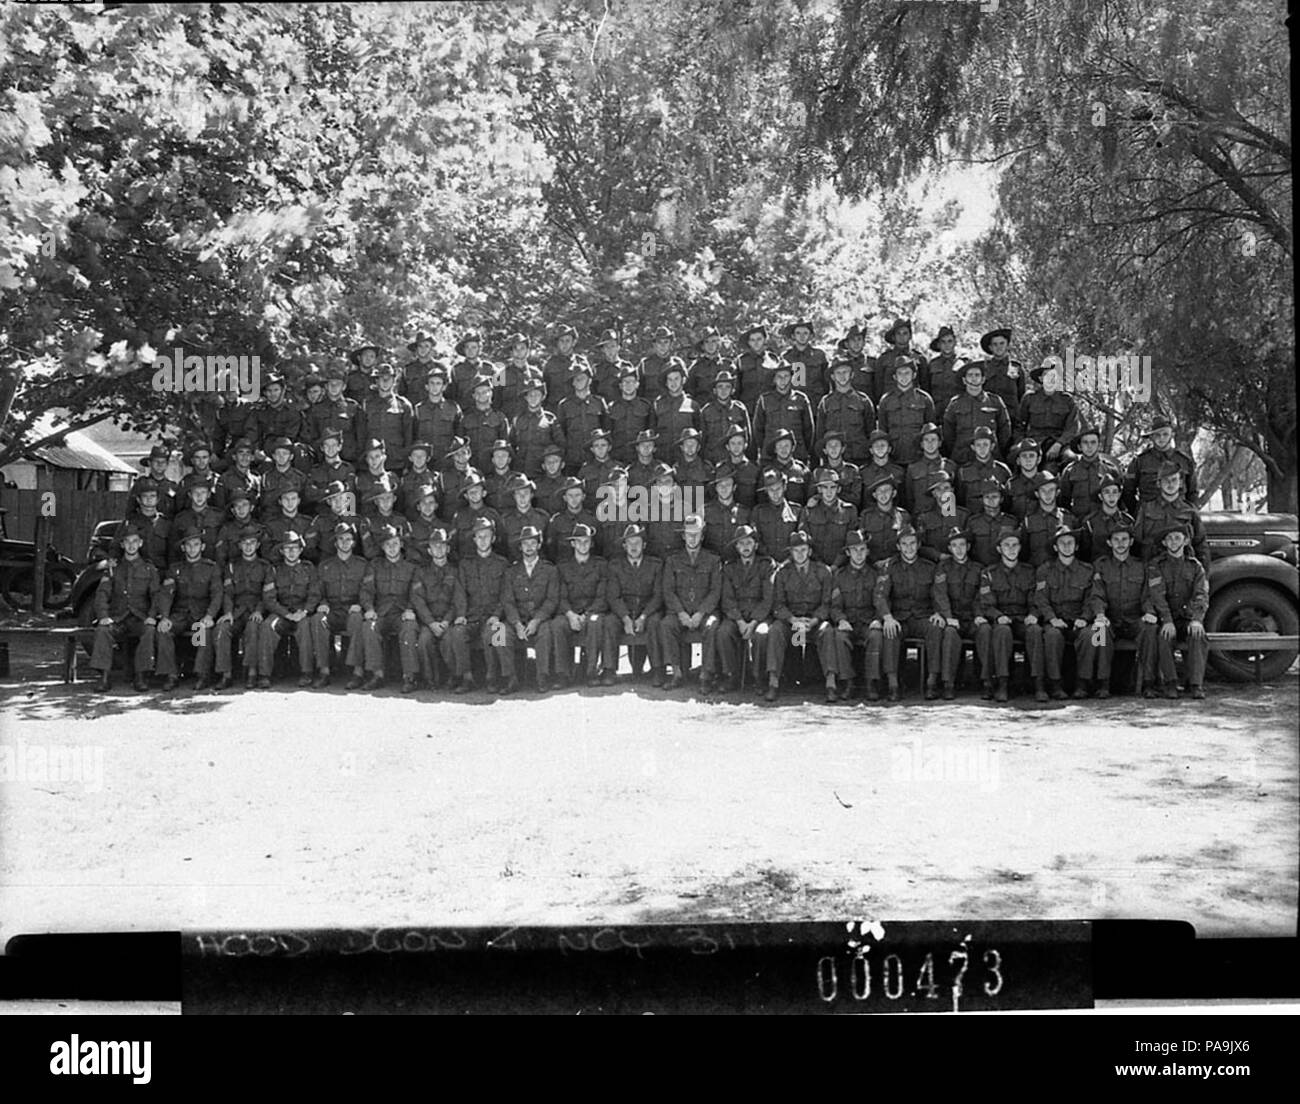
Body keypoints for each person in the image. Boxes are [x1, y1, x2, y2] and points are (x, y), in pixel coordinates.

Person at [1086, 521, 1157, 698]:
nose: (1120, 543)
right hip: (1111, 618)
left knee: (1150, 629)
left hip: (1134, 619)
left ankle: (1149, 683)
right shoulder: (1101, 566)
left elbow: (1147, 595)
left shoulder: (1141, 566)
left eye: (1124, 539)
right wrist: (1100, 614)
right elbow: (1096, 594)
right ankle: (1102, 683)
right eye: (1116, 539)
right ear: (1109, 543)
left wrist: (1149, 612)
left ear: (1131, 542)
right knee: (1098, 631)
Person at [873, 525, 943, 700]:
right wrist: (887, 617)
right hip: (899, 618)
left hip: (922, 616)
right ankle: (893, 684)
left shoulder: (929, 567)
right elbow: (880, 595)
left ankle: (931, 682)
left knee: (935, 628)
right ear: (898, 546)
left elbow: (938, 594)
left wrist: (938, 612)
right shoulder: (889, 567)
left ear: (918, 544)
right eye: (904, 544)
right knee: (890, 630)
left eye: (912, 543)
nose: (909, 548)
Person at [90, 526, 161, 693]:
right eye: (127, 542)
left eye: (135, 541)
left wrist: (151, 616)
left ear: (140, 543)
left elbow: (156, 596)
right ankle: (104, 677)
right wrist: (103, 616)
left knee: (149, 630)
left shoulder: (149, 569)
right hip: (118, 617)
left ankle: (141, 676)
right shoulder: (113, 568)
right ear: (122, 544)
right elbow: (102, 593)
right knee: (103, 630)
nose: (131, 545)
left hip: (139, 617)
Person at [766, 530, 834, 702]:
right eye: (796, 550)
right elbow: (778, 605)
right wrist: (793, 620)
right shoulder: (783, 573)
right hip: (792, 623)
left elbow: (826, 604)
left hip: (814, 623)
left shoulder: (823, 571)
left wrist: (814, 621)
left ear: (810, 551)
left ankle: (830, 684)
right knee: (775, 630)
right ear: (791, 552)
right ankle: (773, 682)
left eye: (803, 550)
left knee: (827, 631)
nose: (800, 554)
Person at [975, 528, 1041, 702]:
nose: (1011, 549)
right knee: (1002, 631)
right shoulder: (989, 573)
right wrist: (997, 616)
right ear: (999, 549)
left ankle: (1038, 684)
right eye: (1006, 545)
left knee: (1035, 630)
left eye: (1014, 545)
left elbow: (1037, 599)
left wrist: (1033, 614)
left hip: (1023, 618)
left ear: (1020, 548)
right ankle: (1002, 683)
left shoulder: (1030, 572)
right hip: (1002, 618)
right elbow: (986, 603)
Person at [1145, 524, 1210, 700]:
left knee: (1198, 636)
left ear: (1186, 540)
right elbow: (1157, 595)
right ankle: (1171, 683)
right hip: (1168, 617)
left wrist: (1197, 619)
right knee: (1164, 637)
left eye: (1178, 537)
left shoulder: (1195, 567)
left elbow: (1201, 594)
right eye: (1170, 539)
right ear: (1165, 543)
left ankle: (1196, 684)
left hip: (1188, 618)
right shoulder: (1156, 565)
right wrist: (1166, 620)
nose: (1174, 542)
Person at [154, 528, 223, 691]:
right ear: (183, 548)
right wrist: (164, 617)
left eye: (196, 544)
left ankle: (202, 675)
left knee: (202, 631)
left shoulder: (211, 568)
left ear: (202, 547)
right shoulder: (175, 569)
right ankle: (171, 675)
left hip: (200, 615)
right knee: (164, 631)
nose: (192, 548)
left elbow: (217, 594)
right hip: (180, 615)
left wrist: (209, 615)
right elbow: (166, 594)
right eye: (189, 545)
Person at [659, 515, 723, 691]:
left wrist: (701, 613)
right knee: (666, 625)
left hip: (704, 613)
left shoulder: (713, 560)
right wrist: (681, 613)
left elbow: (715, 591)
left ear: (702, 536)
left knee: (712, 626)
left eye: (696, 534)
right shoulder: (673, 560)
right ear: (683, 536)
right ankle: (676, 672)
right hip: (681, 612)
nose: (692, 538)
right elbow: (668, 590)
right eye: (689, 534)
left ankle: (706, 675)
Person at [1033, 526, 1097, 700]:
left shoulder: (1088, 570)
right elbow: (1041, 599)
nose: (1067, 546)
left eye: (1070, 543)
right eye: (1062, 543)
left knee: (1092, 634)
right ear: (1055, 547)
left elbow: (1093, 598)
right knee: (1052, 636)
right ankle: (1055, 684)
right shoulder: (1045, 570)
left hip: (1079, 620)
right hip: (1056, 619)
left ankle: (1083, 684)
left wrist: (1084, 618)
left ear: (1076, 546)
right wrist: (1052, 619)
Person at [258, 530, 326, 689]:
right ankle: (264, 674)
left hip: (302, 612)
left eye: (294, 548)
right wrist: (286, 614)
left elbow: (315, 594)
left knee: (304, 627)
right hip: (281, 612)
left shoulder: (309, 568)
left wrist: (305, 611)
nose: (291, 551)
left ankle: (306, 672)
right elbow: (269, 598)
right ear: (281, 551)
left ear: (301, 550)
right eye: (287, 548)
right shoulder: (274, 570)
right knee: (268, 626)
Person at [553, 522, 618, 687]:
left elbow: (602, 596)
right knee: (557, 625)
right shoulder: (563, 567)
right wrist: (570, 615)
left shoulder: (601, 565)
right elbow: (559, 596)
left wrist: (586, 615)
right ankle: (563, 674)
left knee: (595, 622)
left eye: (586, 541)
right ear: (572, 543)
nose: (583, 545)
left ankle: (591, 672)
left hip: (593, 612)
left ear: (591, 543)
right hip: (570, 614)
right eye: (579, 541)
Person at [502, 524, 561, 693]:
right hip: (517, 620)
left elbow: (552, 600)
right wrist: (516, 624)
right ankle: (509, 678)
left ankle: (542, 677)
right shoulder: (511, 571)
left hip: (540, 619)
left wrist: (536, 620)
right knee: (498, 633)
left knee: (546, 632)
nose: (529, 547)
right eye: (525, 544)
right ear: (520, 546)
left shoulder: (550, 570)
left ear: (539, 545)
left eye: (533, 543)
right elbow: (507, 601)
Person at [458, 516, 514, 694]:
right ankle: (466, 677)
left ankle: (494, 676)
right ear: (474, 539)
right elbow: (460, 593)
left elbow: (506, 595)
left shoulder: (502, 564)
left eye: (486, 536)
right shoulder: (465, 564)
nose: (483, 540)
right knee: (457, 633)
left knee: (497, 632)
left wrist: (497, 614)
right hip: (472, 616)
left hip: (494, 615)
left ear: (493, 538)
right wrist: (461, 614)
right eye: (479, 536)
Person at [412, 527, 472, 692]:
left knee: (449, 640)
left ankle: (455, 676)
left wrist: (446, 621)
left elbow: (458, 599)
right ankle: (430, 679)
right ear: (429, 550)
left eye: (442, 545)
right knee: (424, 640)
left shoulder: (456, 571)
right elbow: (418, 600)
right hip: (429, 620)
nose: (439, 549)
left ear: (448, 548)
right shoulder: (421, 572)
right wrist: (431, 623)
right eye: (435, 546)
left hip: (448, 620)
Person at [715, 524, 774, 691]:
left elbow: (768, 598)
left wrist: (754, 622)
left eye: (749, 543)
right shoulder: (729, 568)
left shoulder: (766, 565)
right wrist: (740, 621)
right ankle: (731, 676)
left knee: (762, 634)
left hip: (759, 617)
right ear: (736, 547)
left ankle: (759, 678)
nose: (745, 547)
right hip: (737, 616)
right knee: (723, 632)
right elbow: (727, 599)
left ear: (755, 545)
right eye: (741, 544)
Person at [827, 528, 882, 701]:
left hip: (868, 622)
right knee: (839, 636)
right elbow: (834, 606)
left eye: (862, 549)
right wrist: (841, 619)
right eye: (854, 550)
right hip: (848, 622)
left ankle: (870, 683)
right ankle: (848, 682)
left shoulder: (876, 575)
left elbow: (882, 601)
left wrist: (878, 620)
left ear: (867, 551)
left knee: (876, 636)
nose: (858, 554)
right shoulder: (839, 576)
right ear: (848, 553)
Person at [607, 523, 666, 684]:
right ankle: (609, 670)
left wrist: (644, 616)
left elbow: (658, 595)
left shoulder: (655, 565)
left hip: (649, 611)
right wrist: (625, 618)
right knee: (610, 622)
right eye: (630, 543)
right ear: (624, 546)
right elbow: (614, 596)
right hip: (624, 611)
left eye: (637, 543)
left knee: (655, 623)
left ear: (644, 545)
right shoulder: (615, 566)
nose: (634, 547)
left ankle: (658, 670)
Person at [313, 522, 369, 688]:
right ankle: (324, 671)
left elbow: (368, 590)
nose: (345, 542)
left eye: (348, 539)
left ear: (353, 542)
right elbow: (318, 592)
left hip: (352, 609)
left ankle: (357, 672)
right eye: (341, 539)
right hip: (333, 609)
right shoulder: (325, 566)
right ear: (335, 543)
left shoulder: (363, 565)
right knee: (318, 619)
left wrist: (360, 604)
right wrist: (322, 604)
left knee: (358, 619)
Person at [215, 526, 271, 690]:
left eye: (252, 543)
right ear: (239, 546)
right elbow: (228, 593)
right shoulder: (232, 566)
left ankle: (252, 673)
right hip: (237, 611)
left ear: (258, 545)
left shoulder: (265, 566)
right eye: (245, 543)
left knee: (253, 628)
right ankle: (226, 674)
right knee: (222, 629)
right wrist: (228, 612)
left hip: (256, 610)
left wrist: (259, 611)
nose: (248, 546)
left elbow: (266, 594)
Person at [932, 525, 983, 699]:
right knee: (950, 634)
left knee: (986, 631)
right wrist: (948, 617)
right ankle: (949, 683)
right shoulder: (943, 567)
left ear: (968, 547)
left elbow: (980, 595)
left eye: (962, 545)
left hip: (972, 617)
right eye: (955, 546)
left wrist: (978, 615)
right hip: (953, 618)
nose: (959, 549)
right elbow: (940, 593)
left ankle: (988, 682)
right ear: (949, 548)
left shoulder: (978, 568)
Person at [1134, 462, 1210, 565]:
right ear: (1159, 483)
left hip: (1183, 570)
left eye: (1174, 479)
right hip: (1153, 570)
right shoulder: (1146, 509)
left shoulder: (1190, 511)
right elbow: (1136, 543)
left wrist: (1204, 575)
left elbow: (1200, 544)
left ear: (1181, 483)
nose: (1170, 484)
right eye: (1166, 480)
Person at [944, 361, 1012, 465]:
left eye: (977, 375)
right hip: (962, 459)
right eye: (970, 375)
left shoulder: (995, 401)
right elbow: (948, 433)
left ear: (983, 379)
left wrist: (995, 448)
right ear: (964, 380)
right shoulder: (955, 404)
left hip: (990, 459)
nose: (974, 378)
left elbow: (1005, 430)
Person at [1124, 414, 1196, 510]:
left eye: (1165, 434)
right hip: (1148, 519)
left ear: (1171, 435)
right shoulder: (1139, 462)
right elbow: (1128, 492)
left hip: (1178, 518)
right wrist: (1138, 514)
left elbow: (1193, 493)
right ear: (1151, 437)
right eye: (1157, 435)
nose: (1161, 438)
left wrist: (1188, 513)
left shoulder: (1185, 461)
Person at [876, 356, 935, 466]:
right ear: (894, 376)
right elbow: (882, 432)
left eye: (907, 373)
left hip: (918, 459)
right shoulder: (886, 400)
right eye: (900, 373)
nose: (904, 377)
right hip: (894, 458)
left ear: (914, 375)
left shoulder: (925, 399)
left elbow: (930, 431)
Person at [1017, 362, 1080, 464]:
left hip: (1059, 442)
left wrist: (1059, 444)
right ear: (1041, 378)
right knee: (1015, 455)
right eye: (1046, 375)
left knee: (1071, 458)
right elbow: (1019, 425)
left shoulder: (1067, 400)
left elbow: (1072, 428)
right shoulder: (1030, 398)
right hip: (1034, 441)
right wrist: (1021, 443)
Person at [816, 358, 875, 464]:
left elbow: (871, 432)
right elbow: (820, 435)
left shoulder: (863, 400)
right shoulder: (826, 402)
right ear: (833, 377)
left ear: (852, 374)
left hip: (860, 457)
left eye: (845, 372)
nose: (842, 376)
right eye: (838, 373)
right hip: (834, 460)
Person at [753, 361, 815, 462]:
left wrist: (802, 448)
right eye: (779, 377)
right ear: (774, 379)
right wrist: (768, 447)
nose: (783, 380)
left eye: (786, 376)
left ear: (791, 378)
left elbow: (808, 429)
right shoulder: (765, 400)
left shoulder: (801, 399)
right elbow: (758, 429)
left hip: (797, 454)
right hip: (770, 456)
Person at [1058, 425, 1122, 520]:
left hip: (1103, 524)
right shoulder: (1070, 471)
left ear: (1099, 445)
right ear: (1079, 447)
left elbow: (1119, 501)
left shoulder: (1110, 470)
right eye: (1085, 442)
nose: (1089, 446)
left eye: (1093, 442)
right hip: (1079, 523)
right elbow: (1064, 502)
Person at [798, 468, 858, 567]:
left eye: (833, 487)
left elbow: (850, 543)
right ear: (819, 489)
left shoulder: (849, 511)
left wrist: (836, 565)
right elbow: (805, 542)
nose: (829, 492)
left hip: (842, 567)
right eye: (825, 487)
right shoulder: (808, 511)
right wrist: (821, 566)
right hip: (815, 568)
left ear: (839, 489)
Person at [558, 360, 610, 472]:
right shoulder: (564, 405)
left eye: (581, 378)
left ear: (589, 380)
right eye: (575, 379)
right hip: (573, 459)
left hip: (595, 458)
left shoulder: (599, 402)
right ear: (572, 383)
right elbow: (561, 434)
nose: (578, 381)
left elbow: (607, 429)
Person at [1020, 471, 1078, 568]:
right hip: (1038, 574)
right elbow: (1024, 553)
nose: (1047, 494)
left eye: (1051, 490)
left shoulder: (1068, 519)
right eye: (1043, 490)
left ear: (1057, 492)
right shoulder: (1028, 521)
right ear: (1037, 494)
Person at [312, 364, 364, 464]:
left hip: (349, 461)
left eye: (338, 384)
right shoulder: (317, 409)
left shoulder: (352, 407)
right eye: (331, 384)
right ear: (326, 386)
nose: (334, 387)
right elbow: (312, 436)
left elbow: (361, 436)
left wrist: (357, 458)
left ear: (344, 387)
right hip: (323, 462)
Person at [414, 363, 462, 465]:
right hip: (424, 461)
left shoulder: (453, 408)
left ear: (444, 387)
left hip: (446, 460)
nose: (435, 387)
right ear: (427, 386)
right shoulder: (418, 409)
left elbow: (459, 437)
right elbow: (413, 437)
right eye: (432, 383)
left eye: (438, 383)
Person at [903, 422, 956, 516]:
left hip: (946, 517)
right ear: (922, 444)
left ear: (939, 443)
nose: (930, 443)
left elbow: (957, 495)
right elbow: (909, 499)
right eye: (926, 440)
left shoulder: (950, 466)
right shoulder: (913, 468)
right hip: (921, 518)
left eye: (933, 440)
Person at [700, 369, 751, 466]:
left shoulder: (739, 408)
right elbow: (702, 441)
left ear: (733, 390)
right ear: (714, 390)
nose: (723, 390)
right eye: (720, 387)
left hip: (735, 460)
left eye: (727, 387)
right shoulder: (706, 411)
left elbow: (748, 437)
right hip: (713, 461)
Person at [915, 473, 969, 563]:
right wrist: (938, 556)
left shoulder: (963, 515)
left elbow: (970, 543)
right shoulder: (924, 517)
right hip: (933, 564)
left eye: (946, 488)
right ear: (934, 493)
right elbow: (919, 546)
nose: (943, 493)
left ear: (952, 490)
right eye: (938, 489)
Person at [969, 327, 1025, 415]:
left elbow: (1021, 396)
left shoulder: (1016, 368)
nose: (999, 347)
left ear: (1007, 345)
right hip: (988, 415)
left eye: (1002, 343)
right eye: (995, 344)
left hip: (1011, 417)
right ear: (990, 347)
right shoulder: (983, 367)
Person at [461, 374, 511, 472]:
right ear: (473, 396)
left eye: (485, 392)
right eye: (478, 393)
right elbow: (461, 446)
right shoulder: (466, 419)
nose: (481, 395)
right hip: (472, 469)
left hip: (494, 469)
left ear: (491, 393)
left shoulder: (500, 418)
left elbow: (506, 447)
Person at [859, 471, 910, 566]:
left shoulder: (903, 516)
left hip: (897, 565)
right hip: (871, 566)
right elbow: (861, 545)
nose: (883, 494)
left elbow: (908, 545)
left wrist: (889, 561)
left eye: (887, 490)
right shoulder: (866, 516)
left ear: (894, 493)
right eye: (879, 491)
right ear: (874, 495)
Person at [1081, 472, 1135, 562]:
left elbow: (1133, 551)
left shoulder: (1128, 521)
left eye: (1114, 492)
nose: (1111, 496)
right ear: (1100, 496)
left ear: (1119, 495)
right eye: (1107, 492)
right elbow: (1084, 554)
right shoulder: (1090, 522)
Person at [874, 319, 929, 404]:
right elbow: (878, 387)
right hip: (890, 405)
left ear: (910, 336)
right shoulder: (884, 359)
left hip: (913, 406)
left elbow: (925, 386)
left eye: (905, 333)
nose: (902, 336)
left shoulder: (918, 358)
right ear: (893, 337)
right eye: (898, 333)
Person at [607, 365, 654, 466]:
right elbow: (607, 436)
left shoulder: (646, 406)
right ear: (620, 385)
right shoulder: (612, 407)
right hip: (617, 458)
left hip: (640, 459)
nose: (629, 385)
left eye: (632, 381)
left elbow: (651, 432)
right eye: (625, 382)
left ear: (637, 384)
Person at [650, 359, 698, 456]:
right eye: (670, 379)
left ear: (683, 380)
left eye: (676, 378)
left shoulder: (693, 405)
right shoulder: (657, 405)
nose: (673, 383)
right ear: (666, 383)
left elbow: (699, 435)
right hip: (663, 456)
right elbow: (652, 433)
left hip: (685, 457)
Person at [751, 468, 801, 562]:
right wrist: (769, 560)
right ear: (766, 491)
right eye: (771, 490)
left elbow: (801, 540)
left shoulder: (796, 511)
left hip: (791, 563)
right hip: (765, 563)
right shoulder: (758, 512)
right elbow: (755, 539)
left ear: (784, 487)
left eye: (778, 488)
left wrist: (788, 560)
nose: (775, 493)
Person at [957, 425, 1012, 509]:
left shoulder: (1003, 470)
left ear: (992, 446)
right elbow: (960, 500)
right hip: (973, 519)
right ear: (973, 447)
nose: (982, 448)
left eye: (985, 444)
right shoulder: (964, 472)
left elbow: (1008, 500)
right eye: (978, 445)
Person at [780, 319, 830, 411]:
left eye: (805, 333)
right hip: (793, 406)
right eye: (798, 333)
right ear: (793, 336)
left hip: (815, 404)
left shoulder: (819, 355)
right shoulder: (786, 357)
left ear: (811, 336)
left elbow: (827, 382)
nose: (802, 336)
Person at [702, 466, 750, 561]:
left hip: (735, 564)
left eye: (728, 485)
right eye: (720, 485)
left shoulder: (744, 513)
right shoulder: (705, 511)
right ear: (715, 488)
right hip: (711, 564)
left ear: (734, 487)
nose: (724, 489)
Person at [733, 323, 778, 412]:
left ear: (765, 339)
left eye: (759, 339)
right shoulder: (741, 361)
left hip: (770, 409)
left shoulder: (773, 360)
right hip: (748, 409)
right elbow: (736, 390)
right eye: (752, 340)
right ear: (749, 342)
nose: (756, 343)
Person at [925, 325, 966, 418]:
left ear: (955, 342)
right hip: (936, 412)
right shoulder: (932, 364)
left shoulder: (963, 364)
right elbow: (926, 389)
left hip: (958, 412)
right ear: (939, 344)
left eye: (950, 341)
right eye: (943, 342)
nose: (947, 345)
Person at [765, 427, 811, 506]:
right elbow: (761, 500)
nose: (783, 449)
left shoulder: (802, 471)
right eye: (780, 446)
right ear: (775, 449)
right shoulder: (766, 472)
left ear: (792, 447)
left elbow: (810, 498)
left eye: (786, 445)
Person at [636, 325, 676, 405]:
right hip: (650, 407)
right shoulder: (645, 364)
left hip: (671, 408)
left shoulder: (677, 363)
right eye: (659, 342)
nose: (663, 346)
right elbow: (638, 390)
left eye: (666, 342)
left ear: (671, 344)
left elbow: (686, 389)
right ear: (654, 345)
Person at [686, 325, 727, 403]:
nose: (710, 345)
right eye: (707, 342)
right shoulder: (695, 368)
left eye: (713, 341)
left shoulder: (728, 366)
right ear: (702, 346)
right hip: (702, 410)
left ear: (718, 344)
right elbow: (689, 393)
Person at [591, 329, 632, 405]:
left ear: (618, 347)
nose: (610, 350)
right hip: (602, 409)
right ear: (603, 349)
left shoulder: (626, 367)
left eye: (613, 346)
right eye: (607, 347)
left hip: (621, 409)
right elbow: (592, 393)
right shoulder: (596, 369)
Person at [542, 324, 579, 408]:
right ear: (557, 343)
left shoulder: (581, 363)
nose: (564, 344)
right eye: (561, 341)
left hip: (575, 410)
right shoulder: (550, 364)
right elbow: (544, 392)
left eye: (567, 340)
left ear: (573, 342)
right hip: (555, 409)